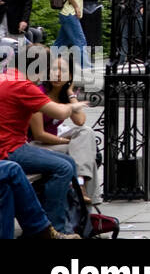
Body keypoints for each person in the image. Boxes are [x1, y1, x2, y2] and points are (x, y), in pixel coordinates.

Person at [1, 56, 88, 234]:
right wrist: (75, 103)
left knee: (70, 161)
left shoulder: (9, 77)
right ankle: (53, 228)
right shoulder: (24, 86)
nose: (48, 75)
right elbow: (59, 112)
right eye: (47, 69)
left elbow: (80, 121)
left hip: (14, 144)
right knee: (64, 167)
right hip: (10, 148)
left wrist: (70, 97)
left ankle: (62, 220)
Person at [27, 50, 98, 204]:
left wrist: (70, 92)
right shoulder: (39, 93)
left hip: (53, 143)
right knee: (84, 151)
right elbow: (39, 134)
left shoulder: (64, 96)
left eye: (63, 70)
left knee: (86, 133)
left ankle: (79, 185)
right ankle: (84, 195)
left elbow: (80, 121)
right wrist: (68, 142)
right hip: (35, 146)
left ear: (70, 76)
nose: (57, 74)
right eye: (54, 69)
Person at [1, 159, 79, 238]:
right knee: (64, 168)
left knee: (5, 188)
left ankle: (45, 230)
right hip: (7, 150)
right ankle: (43, 230)